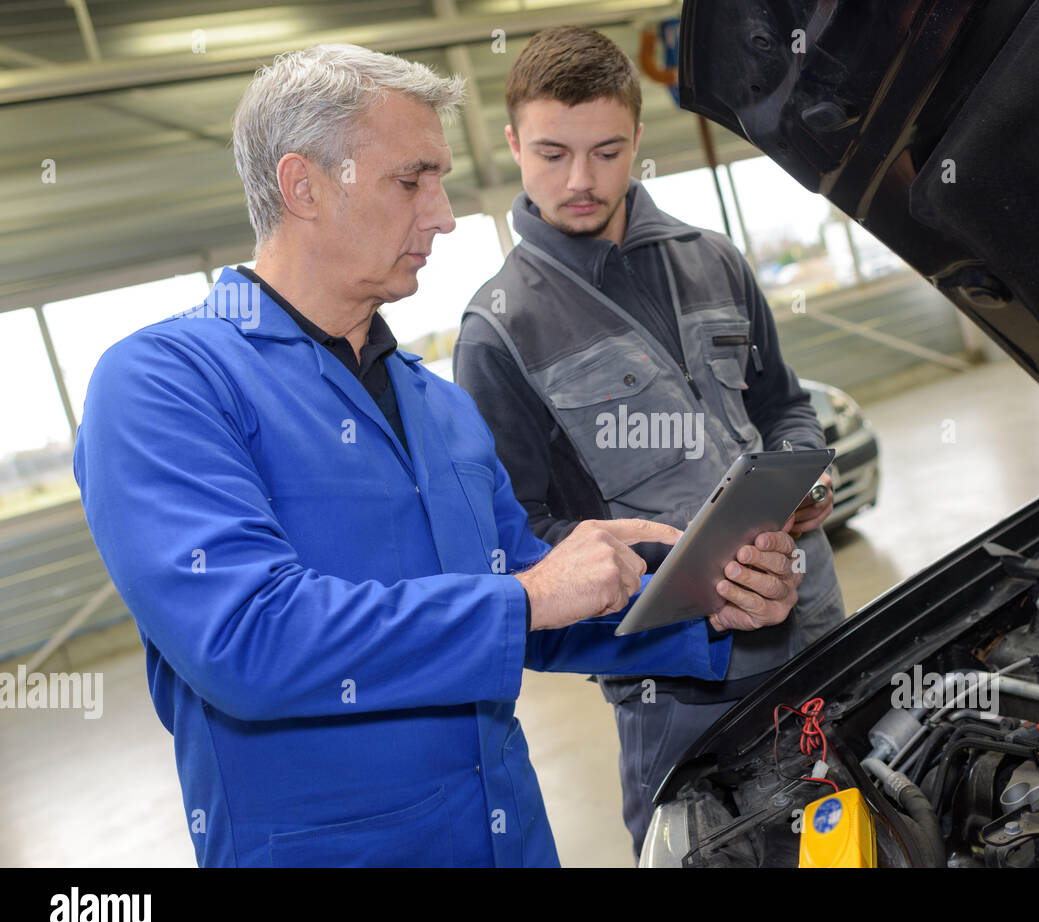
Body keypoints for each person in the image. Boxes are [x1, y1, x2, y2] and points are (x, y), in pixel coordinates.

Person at [71, 43, 804, 868]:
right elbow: (249, 637)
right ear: (302, 184)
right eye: (411, 180)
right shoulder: (166, 383)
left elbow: (538, 598)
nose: (445, 214)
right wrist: (526, 598)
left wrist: (711, 602)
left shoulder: (439, 407)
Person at [454, 26, 844, 858]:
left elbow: (785, 407)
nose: (582, 181)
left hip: (817, 621)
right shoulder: (498, 332)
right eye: (553, 153)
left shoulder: (714, 261)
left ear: (637, 138)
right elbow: (522, 543)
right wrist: (682, 581)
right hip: (680, 684)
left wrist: (805, 472)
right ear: (514, 144)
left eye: (607, 150)